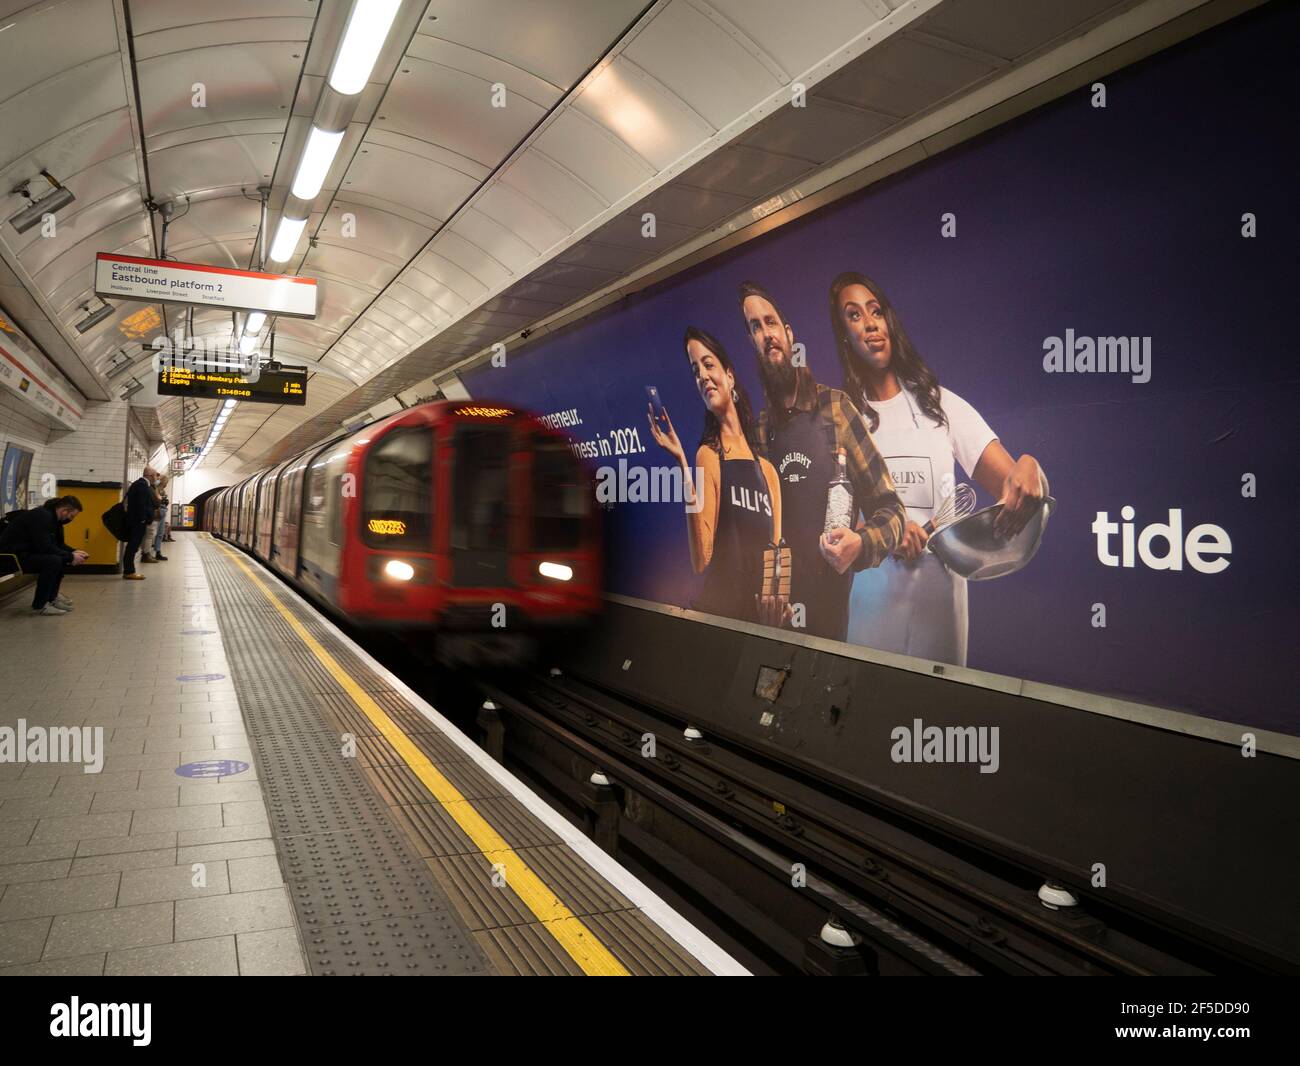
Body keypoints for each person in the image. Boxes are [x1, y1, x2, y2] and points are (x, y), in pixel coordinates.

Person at [829, 271, 1047, 665]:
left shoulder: (940, 406)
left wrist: (1030, 465)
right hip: (872, 607)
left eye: (875, 311)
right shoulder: (844, 420)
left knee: (939, 717)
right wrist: (883, 534)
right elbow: (833, 530)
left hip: (941, 608)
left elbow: (1012, 482)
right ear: (844, 335)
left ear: (889, 321)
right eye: (854, 315)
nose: (871, 323)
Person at [739, 280, 905, 641]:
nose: (765, 334)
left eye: (770, 323)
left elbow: (893, 511)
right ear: (752, 342)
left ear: (788, 333)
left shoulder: (837, 410)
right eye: (755, 327)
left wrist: (860, 544)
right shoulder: (759, 430)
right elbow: (757, 533)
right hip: (772, 625)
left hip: (829, 630)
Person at [647, 326, 786, 625]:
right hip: (717, 620)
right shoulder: (707, 456)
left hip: (757, 625)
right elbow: (702, 560)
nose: (703, 376)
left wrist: (777, 606)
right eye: (696, 370)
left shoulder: (768, 472)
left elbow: (774, 558)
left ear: (730, 376)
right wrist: (683, 464)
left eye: (708, 365)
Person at [0, 495, 88, 614]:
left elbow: (58, 544)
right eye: (71, 516)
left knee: (60, 559)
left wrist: (73, 551)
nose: (71, 519)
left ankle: (52, 598)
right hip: (11, 557)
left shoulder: (53, 519)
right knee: (54, 561)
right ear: (64, 510)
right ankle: (40, 606)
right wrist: (71, 556)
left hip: (25, 553)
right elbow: (44, 546)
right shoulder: (42, 517)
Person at [122, 468, 155, 580]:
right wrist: (143, 519)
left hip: (135, 520)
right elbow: (141, 504)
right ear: (150, 475)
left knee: (133, 546)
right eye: (155, 475)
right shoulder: (142, 485)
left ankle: (129, 570)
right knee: (133, 546)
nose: (156, 478)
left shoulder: (138, 484)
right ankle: (129, 571)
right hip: (138, 522)